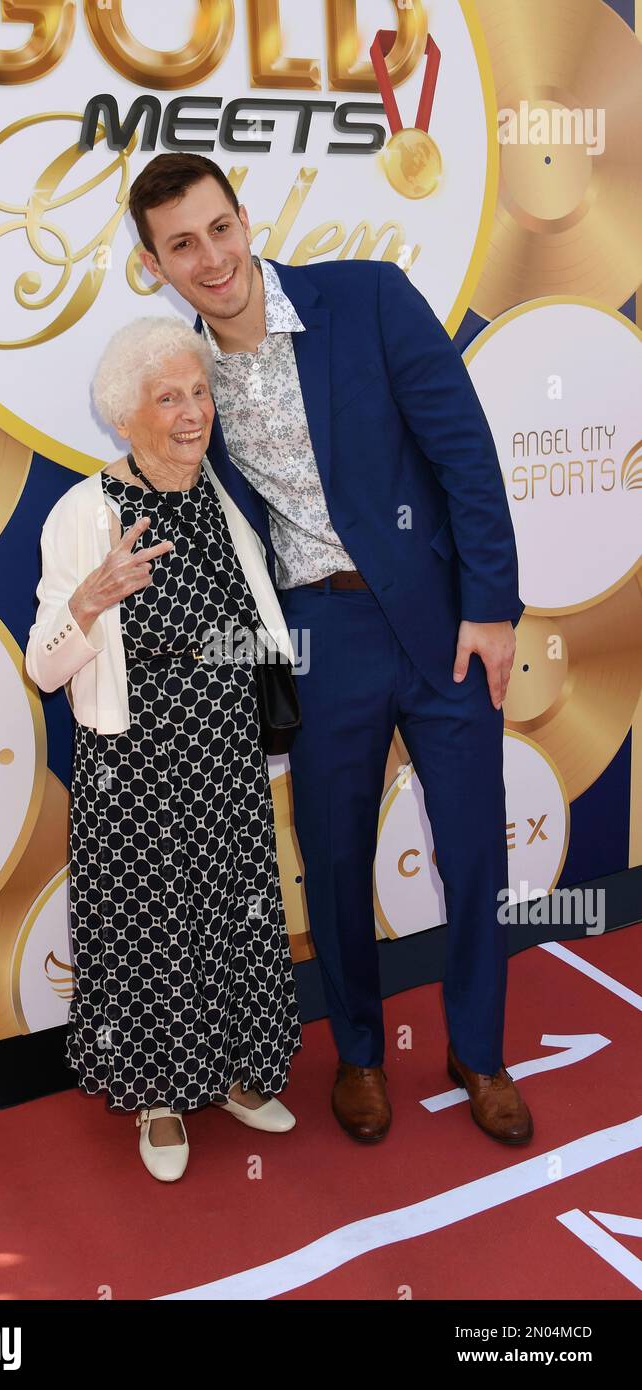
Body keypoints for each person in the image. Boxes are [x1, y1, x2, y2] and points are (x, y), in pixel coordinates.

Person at [125, 151, 533, 1147]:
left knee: (473, 847)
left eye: (219, 228)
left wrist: (490, 606)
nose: (210, 257)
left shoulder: (368, 298)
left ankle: (478, 1050)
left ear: (244, 217)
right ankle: (357, 1050)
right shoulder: (180, 378)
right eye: (181, 245)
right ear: (153, 263)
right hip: (317, 635)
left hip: (439, 619)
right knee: (334, 855)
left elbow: (464, 453)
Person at [25, 316, 302, 1181]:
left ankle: (229, 1073)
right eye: (168, 397)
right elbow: (43, 667)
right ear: (123, 415)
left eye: (201, 392)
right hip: (136, 760)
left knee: (232, 912)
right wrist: (91, 601)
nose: (192, 414)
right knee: (147, 929)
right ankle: (159, 1096)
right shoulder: (87, 510)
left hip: (223, 751)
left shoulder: (218, 495)